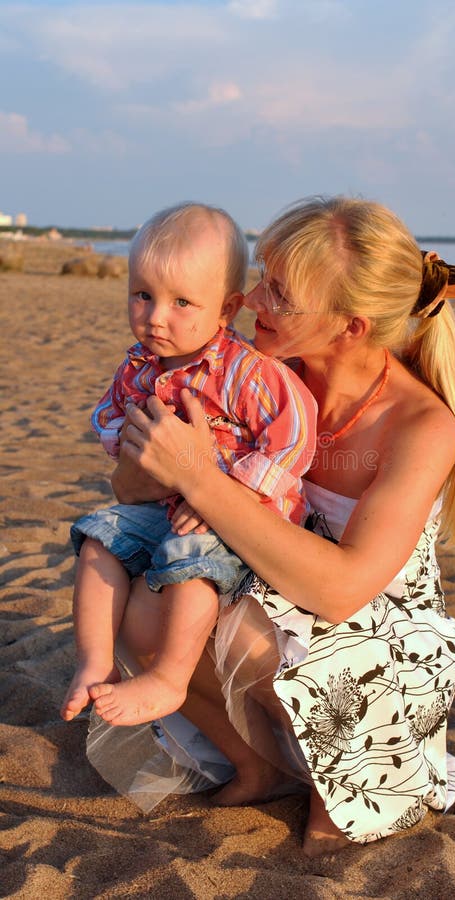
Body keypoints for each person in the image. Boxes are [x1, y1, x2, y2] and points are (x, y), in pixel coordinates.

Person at [88, 196, 455, 855]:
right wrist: (159, 461)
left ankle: (343, 785)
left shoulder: (420, 426)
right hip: (266, 574)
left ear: (350, 327)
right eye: (263, 276)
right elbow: (129, 483)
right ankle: (257, 761)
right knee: (144, 600)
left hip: (379, 629)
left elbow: (341, 590)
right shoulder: (257, 377)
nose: (254, 301)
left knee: (236, 622)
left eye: (279, 294)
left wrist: (202, 479)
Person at [60, 202, 317, 727]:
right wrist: (125, 442)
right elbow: (108, 416)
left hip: (235, 518)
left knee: (192, 562)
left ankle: (170, 678)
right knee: (98, 537)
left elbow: (292, 437)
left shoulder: (245, 372)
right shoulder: (138, 365)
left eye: (181, 302)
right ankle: (93, 661)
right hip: (165, 501)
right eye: (142, 295)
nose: (155, 316)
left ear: (226, 308)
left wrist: (234, 497)